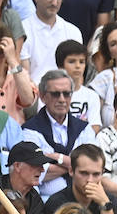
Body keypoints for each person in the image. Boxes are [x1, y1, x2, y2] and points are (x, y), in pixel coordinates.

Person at [23, 69, 98, 199]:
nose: (62, 99)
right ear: (42, 96)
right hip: (45, 202)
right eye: (55, 94)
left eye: (67, 94)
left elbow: (93, 165)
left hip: (83, 198)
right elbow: (33, 172)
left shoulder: (84, 128)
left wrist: (58, 158)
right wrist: (78, 167)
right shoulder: (30, 130)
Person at [43, 143, 114, 214]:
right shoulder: (56, 204)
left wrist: (105, 205)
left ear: (102, 173)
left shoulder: (109, 200)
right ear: (71, 171)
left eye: (96, 174)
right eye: (84, 173)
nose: (90, 180)